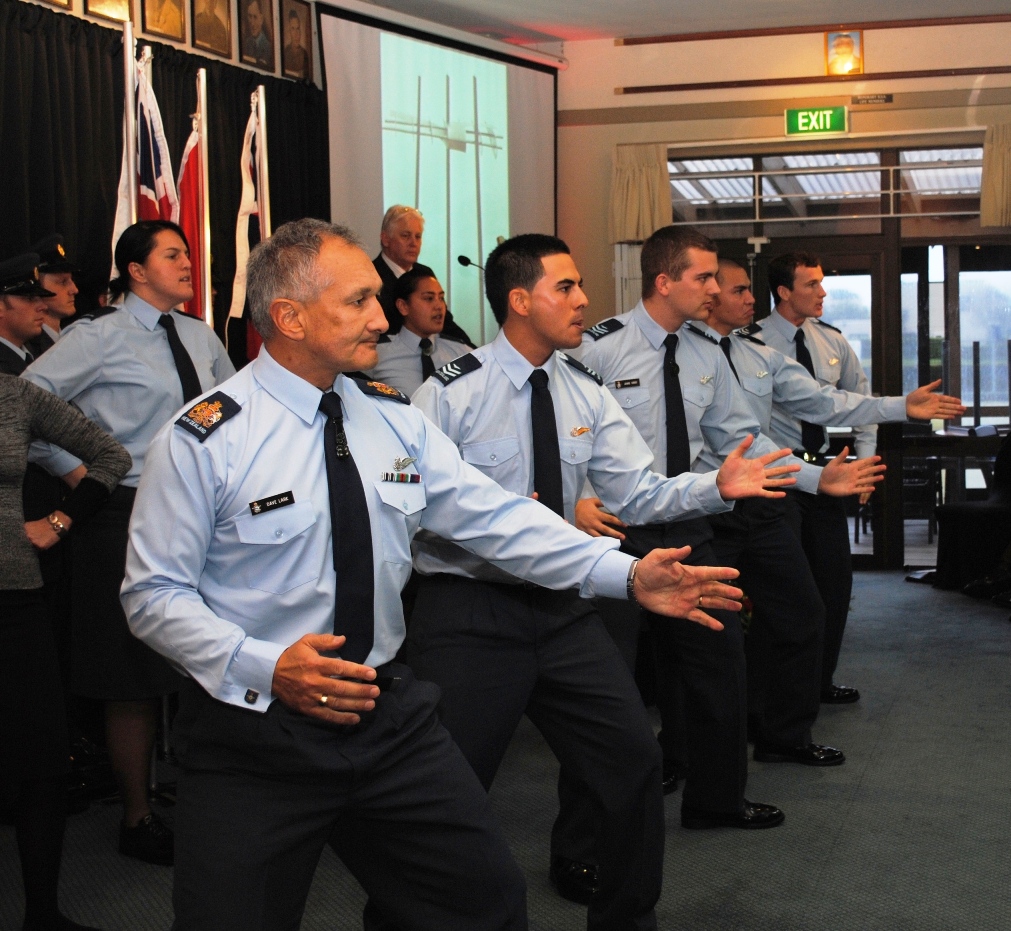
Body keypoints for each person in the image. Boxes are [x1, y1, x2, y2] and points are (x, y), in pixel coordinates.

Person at [120, 218, 745, 931]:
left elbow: (496, 517)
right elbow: (152, 593)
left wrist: (624, 575)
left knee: (482, 904)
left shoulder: (391, 419)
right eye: (357, 301)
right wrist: (262, 664)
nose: (381, 317)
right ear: (289, 317)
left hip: (385, 715)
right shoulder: (206, 437)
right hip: (256, 731)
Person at [406, 233, 798, 922]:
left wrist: (715, 487)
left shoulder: (582, 389)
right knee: (440, 791)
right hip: (469, 612)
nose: (584, 298)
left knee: (630, 764)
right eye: (566, 287)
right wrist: (486, 522)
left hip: (562, 608)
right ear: (519, 299)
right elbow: (409, 514)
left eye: (581, 285)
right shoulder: (447, 395)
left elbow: (637, 492)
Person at [572, 227, 882, 843]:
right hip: (614, 529)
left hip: (686, 519)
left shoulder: (707, 352)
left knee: (718, 660)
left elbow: (744, 438)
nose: (715, 289)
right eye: (704, 277)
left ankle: (715, 798)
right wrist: (574, 494)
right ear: (665, 282)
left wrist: (817, 480)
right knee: (605, 682)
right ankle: (597, 829)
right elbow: (561, 425)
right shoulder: (601, 347)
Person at [23, 220, 235, 867]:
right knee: (131, 675)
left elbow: (236, 412)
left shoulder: (200, 337)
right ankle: (136, 815)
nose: (187, 262)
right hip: (126, 513)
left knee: (207, 657)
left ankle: (203, 795)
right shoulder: (99, 336)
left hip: (206, 515)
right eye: (172, 254)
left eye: (187, 253)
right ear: (135, 269)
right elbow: (21, 405)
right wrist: (80, 469)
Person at [698, 258, 963, 762]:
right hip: (723, 497)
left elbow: (831, 402)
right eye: (732, 288)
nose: (747, 298)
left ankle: (785, 726)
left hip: (796, 481)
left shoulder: (769, 349)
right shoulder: (692, 352)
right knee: (721, 627)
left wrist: (899, 408)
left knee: (814, 600)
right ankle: (707, 744)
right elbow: (738, 439)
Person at [2, 342, 131, 930]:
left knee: (41, 763)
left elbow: (109, 455)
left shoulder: (15, 394)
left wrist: (60, 521)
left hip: (17, 600)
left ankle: (42, 914)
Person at [759, 252, 876, 705]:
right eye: (811, 284)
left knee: (833, 584)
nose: (822, 292)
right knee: (787, 593)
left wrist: (863, 466)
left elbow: (860, 405)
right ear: (784, 292)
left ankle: (819, 681)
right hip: (780, 479)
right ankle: (776, 689)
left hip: (827, 476)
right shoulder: (751, 344)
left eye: (821, 283)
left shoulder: (832, 342)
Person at [373, 205, 474, 345]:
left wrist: (474, 353)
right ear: (385, 239)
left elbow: (446, 324)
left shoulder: (424, 274)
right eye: (405, 236)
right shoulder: (370, 275)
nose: (413, 243)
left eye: (418, 237)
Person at [365, 269, 469, 396]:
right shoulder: (377, 353)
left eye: (441, 298)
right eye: (429, 298)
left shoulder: (461, 352)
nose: (439, 306)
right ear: (403, 306)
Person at [26, 235, 78, 358]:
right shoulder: (32, 348)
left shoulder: (73, 338)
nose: (74, 290)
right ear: (39, 288)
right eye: (62, 282)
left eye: (72, 280)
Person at [242, 0, 273, 69]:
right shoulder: (246, 43)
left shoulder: (268, 47)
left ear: (261, 19)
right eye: (250, 16)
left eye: (255, 17)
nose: (252, 23)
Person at [282, 8, 310, 79]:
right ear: (289, 31)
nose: (296, 33)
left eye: (298, 29)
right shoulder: (285, 52)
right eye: (293, 29)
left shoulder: (304, 54)